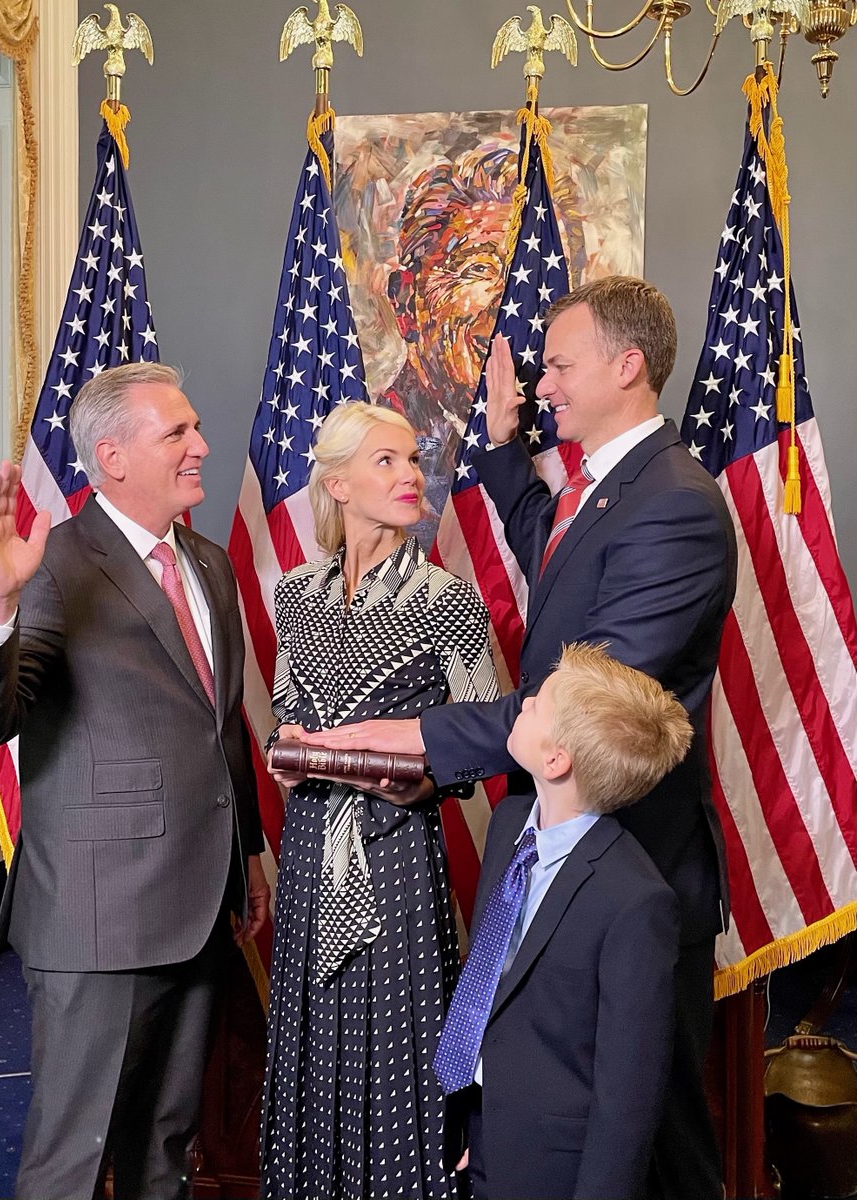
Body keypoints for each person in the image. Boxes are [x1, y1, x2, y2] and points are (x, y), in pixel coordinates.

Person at [305, 277, 738, 1200]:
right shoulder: (612, 490)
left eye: (559, 366)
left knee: (648, 1130)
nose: (544, 386)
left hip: (634, 858)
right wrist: (503, 451)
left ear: (627, 367)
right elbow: (558, 550)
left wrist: (417, 736)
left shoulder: (677, 504)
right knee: (545, 1100)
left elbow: (584, 702)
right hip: (552, 844)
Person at [0, 363, 270, 1200]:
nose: (201, 446)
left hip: (203, 904)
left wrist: (246, 854)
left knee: (164, 1150)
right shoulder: (53, 563)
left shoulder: (209, 563)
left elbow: (219, 731)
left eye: (194, 427)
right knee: (73, 1156)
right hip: (98, 919)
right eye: (177, 433)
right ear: (112, 456)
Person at [260, 401, 499, 1200]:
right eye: (387, 461)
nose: (410, 477)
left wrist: (415, 776)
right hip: (308, 855)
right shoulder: (297, 594)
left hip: (395, 855)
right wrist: (290, 749)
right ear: (337, 484)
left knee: (399, 1047)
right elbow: (287, 709)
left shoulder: (448, 600)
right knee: (311, 1041)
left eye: (413, 461)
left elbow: (482, 740)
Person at [437, 644, 692, 1200]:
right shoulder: (509, 824)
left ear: (556, 761)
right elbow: (492, 986)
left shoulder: (635, 903)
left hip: (553, 1170)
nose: (523, 701)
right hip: (482, 1132)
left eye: (537, 705)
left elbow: (628, 1098)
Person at [382, 145, 584, 544]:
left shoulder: (578, 455)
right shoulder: (375, 450)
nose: (510, 305)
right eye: (478, 268)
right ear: (406, 302)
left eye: (529, 280)